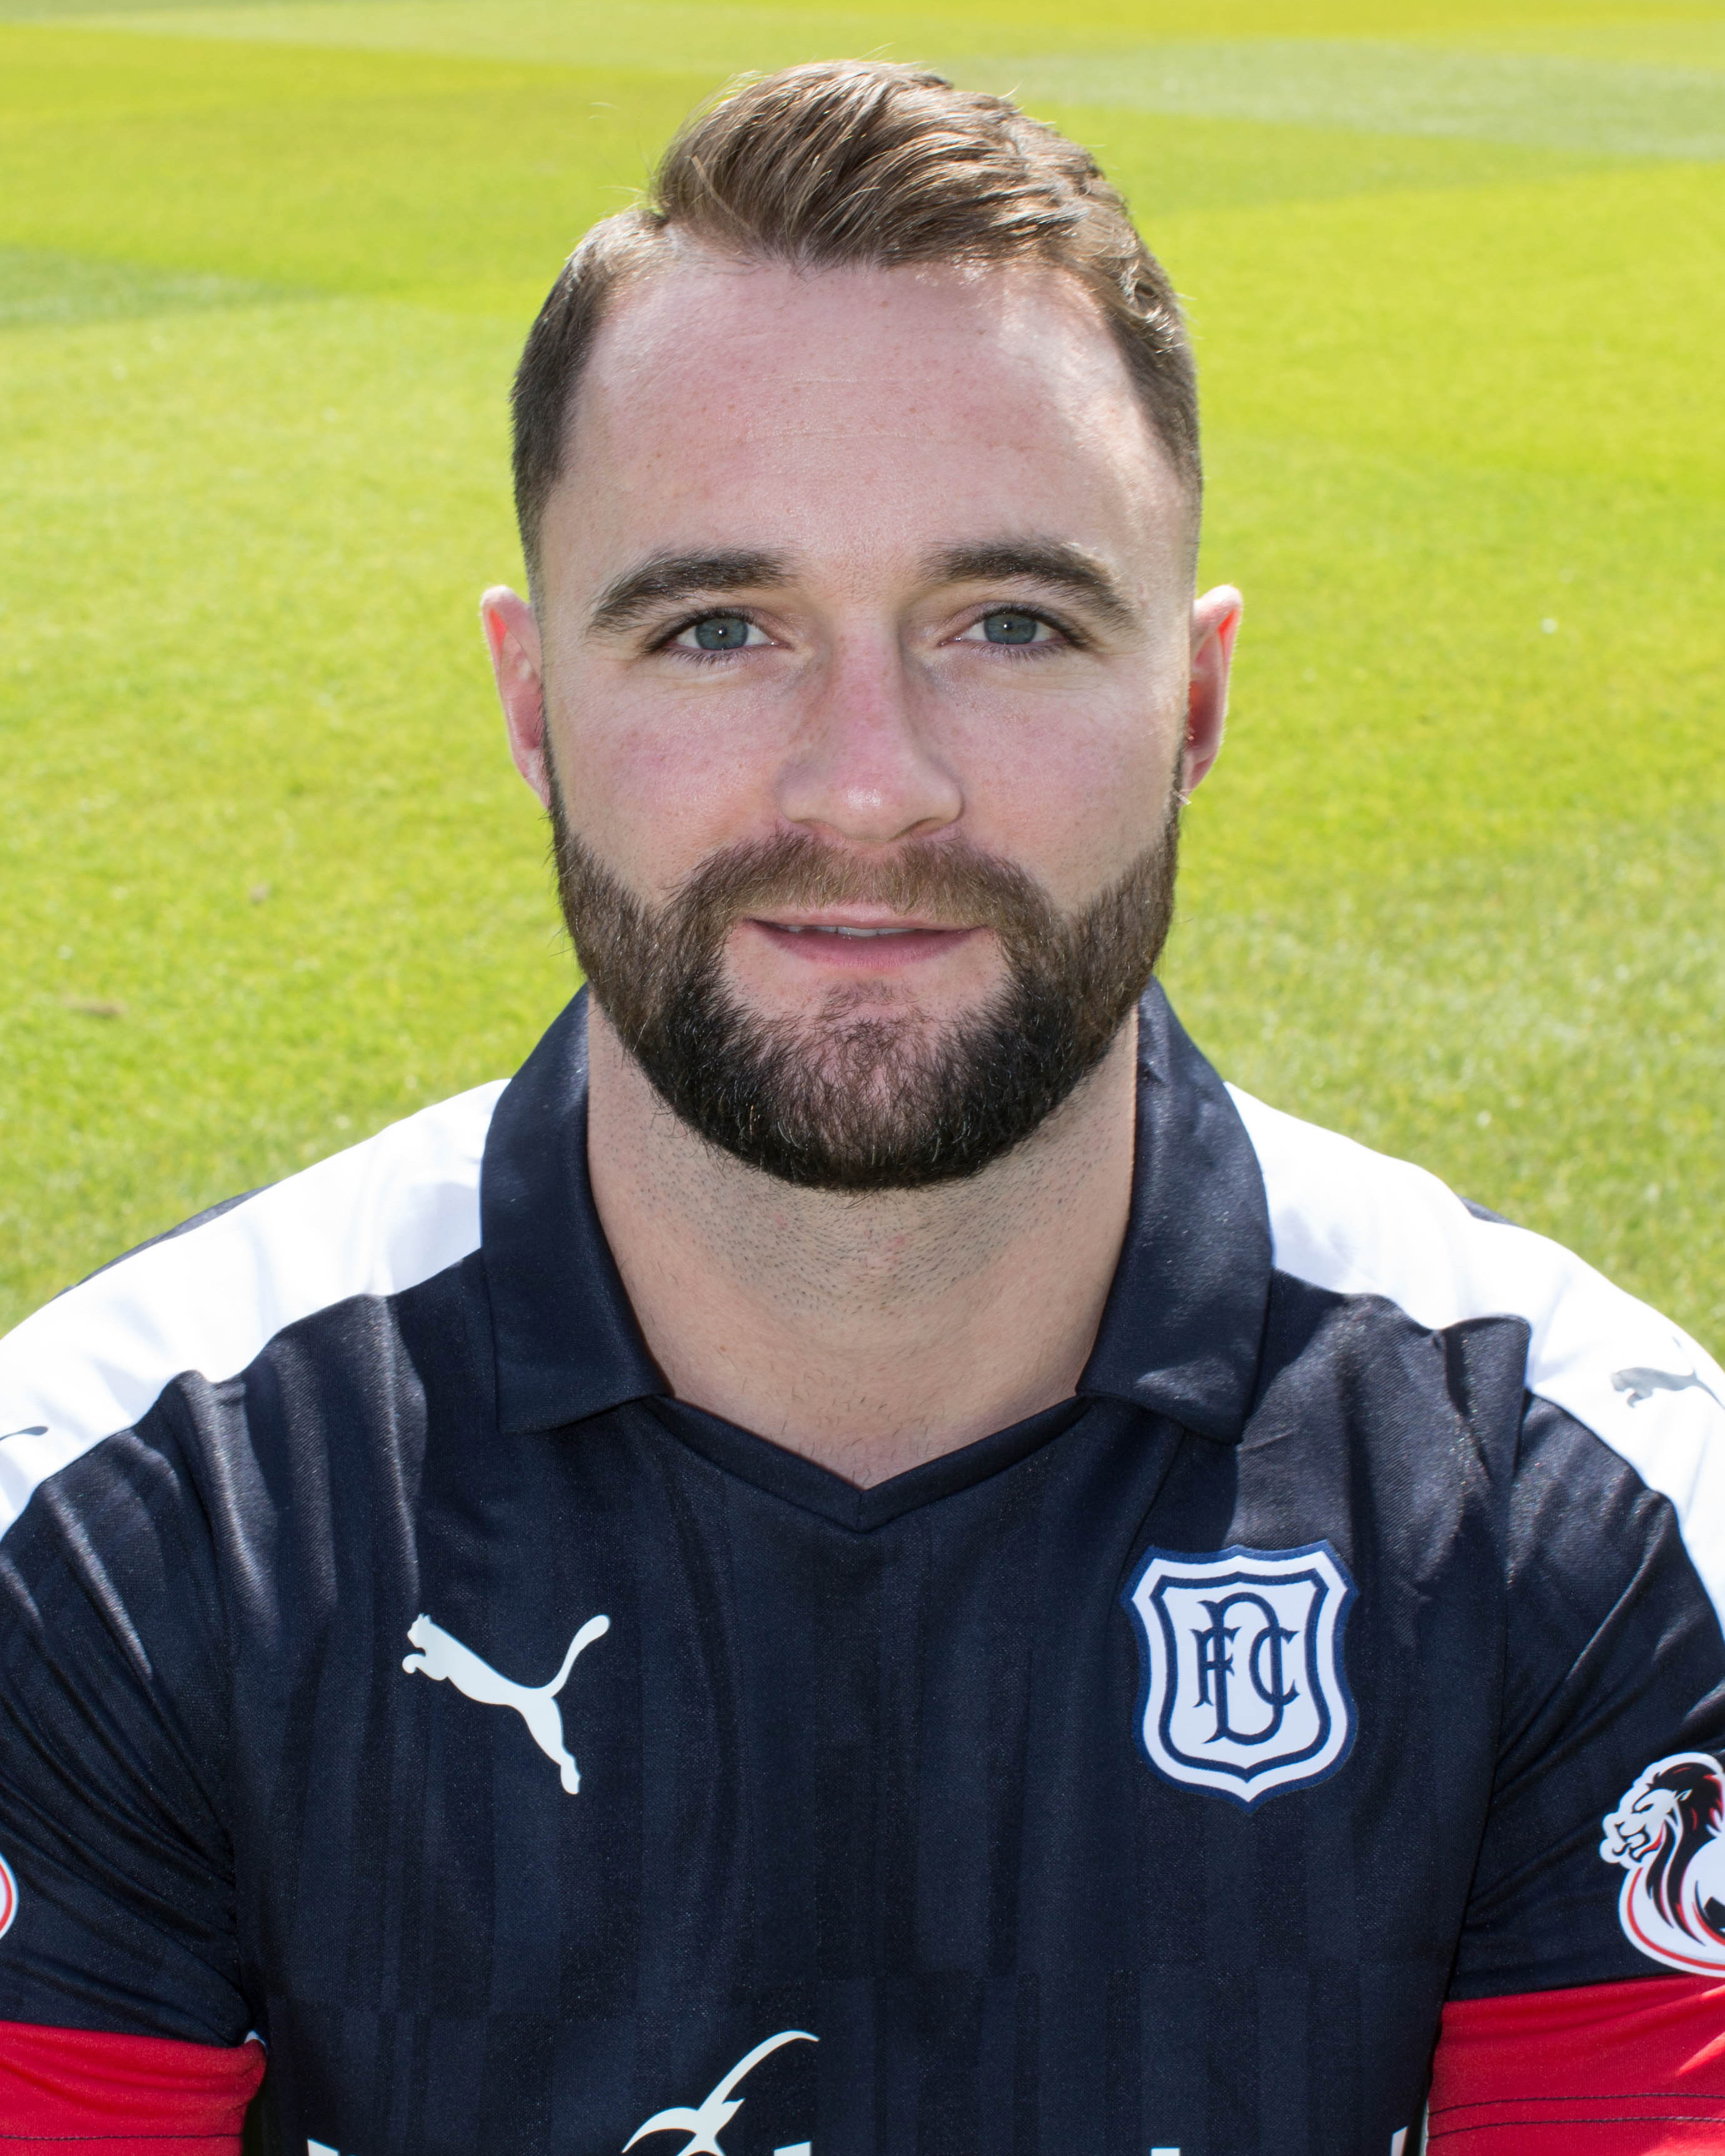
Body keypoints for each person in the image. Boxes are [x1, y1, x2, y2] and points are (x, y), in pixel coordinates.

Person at [2, 59, 1723, 2156]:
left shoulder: (1578, 1515)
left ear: (1193, 699)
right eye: (720, 628)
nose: (871, 784)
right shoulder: (126, 1521)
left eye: (1010, 622)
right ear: (534, 702)